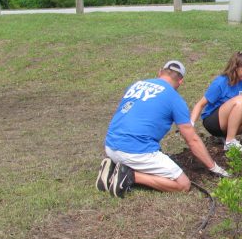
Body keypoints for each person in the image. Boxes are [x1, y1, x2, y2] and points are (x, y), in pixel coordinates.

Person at [97, 60, 228, 198]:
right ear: (180, 82)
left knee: (138, 157)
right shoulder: (174, 99)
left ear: (160, 72)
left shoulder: (136, 85)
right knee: (183, 184)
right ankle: (129, 175)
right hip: (135, 151)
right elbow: (192, 140)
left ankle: (114, 168)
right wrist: (213, 167)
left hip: (111, 146)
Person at [190, 51, 242, 153]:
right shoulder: (220, 82)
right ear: (235, 68)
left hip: (229, 122)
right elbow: (200, 104)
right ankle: (230, 142)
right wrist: (190, 125)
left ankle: (225, 136)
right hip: (213, 121)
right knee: (240, 100)